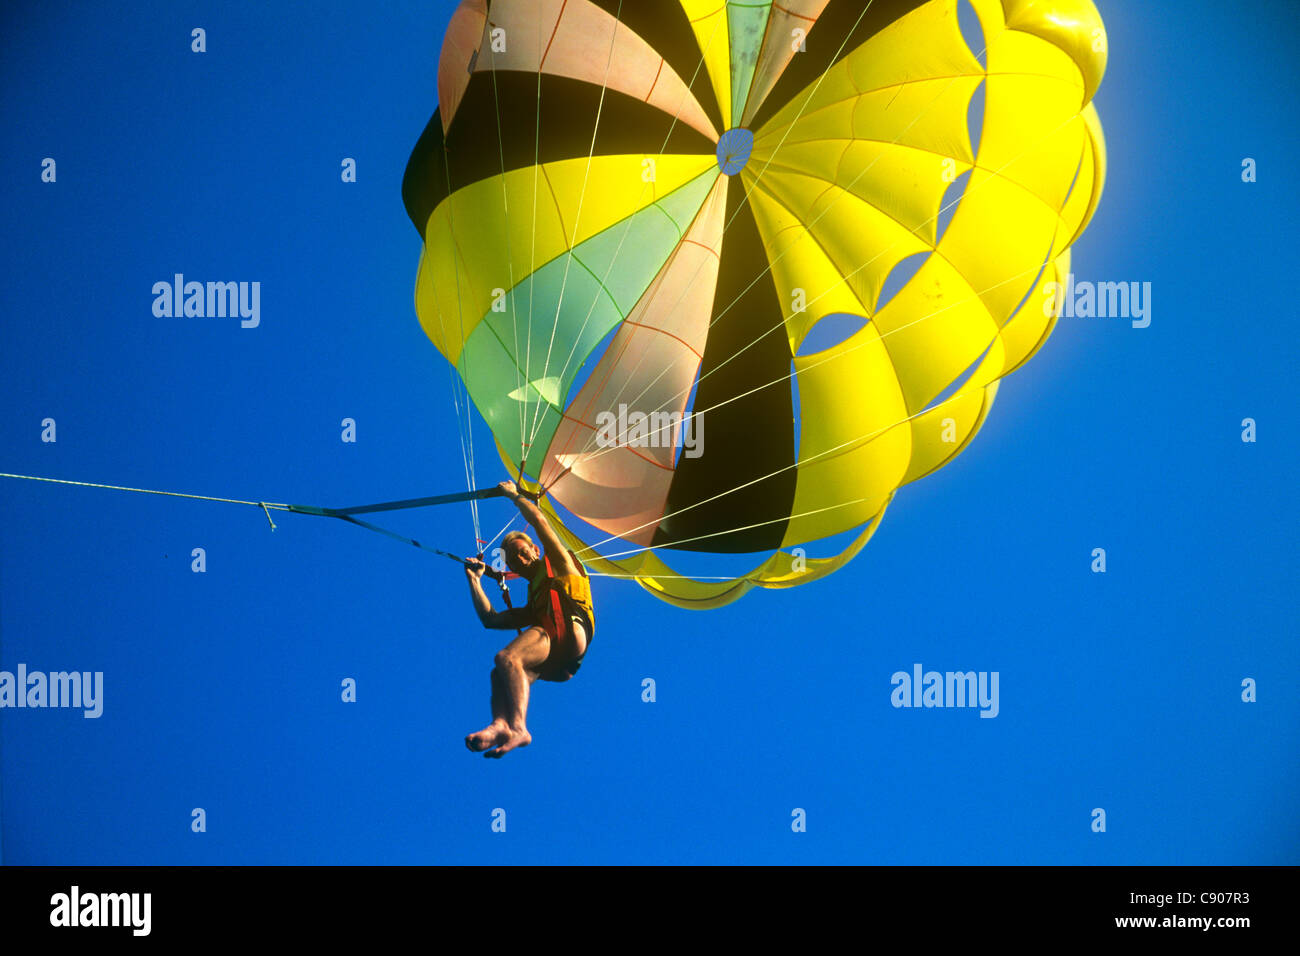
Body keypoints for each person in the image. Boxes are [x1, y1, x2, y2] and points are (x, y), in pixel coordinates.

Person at [463, 480, 595, 757]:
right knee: (500, 672)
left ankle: (519, 728)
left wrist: (514, 496)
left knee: (507, 658)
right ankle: (500, 724)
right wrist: (474, 581)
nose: (521, 560)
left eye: (524, 553)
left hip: (569, 631)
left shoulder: (560, 564)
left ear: (535, 550)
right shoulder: (534, 601)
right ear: (510, 568)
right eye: (514, 559)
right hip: (558, 659)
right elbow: (491, 619)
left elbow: (539, 521)